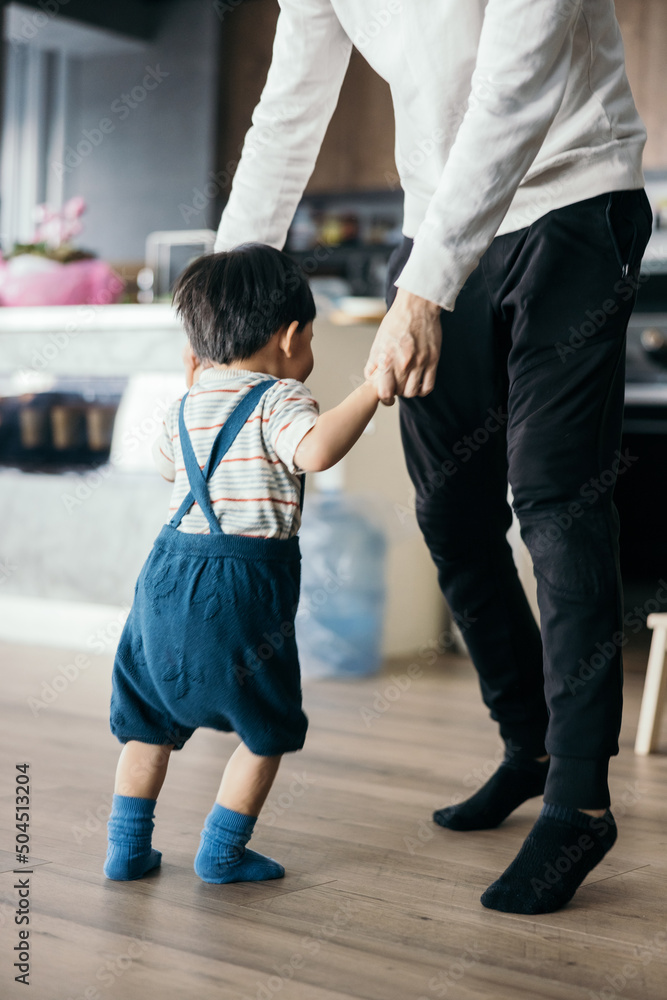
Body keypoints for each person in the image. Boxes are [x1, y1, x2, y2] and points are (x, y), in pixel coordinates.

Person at [205, 0, 654, 913]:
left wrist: (425, 286)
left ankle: (579, 798)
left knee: (557, 505)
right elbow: (287, 110)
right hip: (439, 223)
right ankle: (525, 746)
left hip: (571, 197)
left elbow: (513, 86)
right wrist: (218, 307)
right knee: (449, 510)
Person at [105, 243, 385, 884]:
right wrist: (372, 389)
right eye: (310, 339)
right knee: (266, 728)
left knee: (145, 720)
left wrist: (196, 395)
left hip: (164, 578)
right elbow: (314, 453)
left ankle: (126, 849)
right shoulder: (281, 397)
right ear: (291, 337)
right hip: (241, 585)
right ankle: (222, 852)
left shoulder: (185, 404)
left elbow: (166, 467)